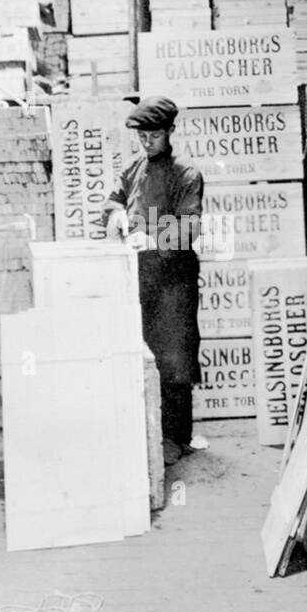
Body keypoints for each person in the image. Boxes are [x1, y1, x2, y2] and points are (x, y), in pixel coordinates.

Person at [104, 96, 205, 465]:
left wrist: (152, 239)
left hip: (174, 279)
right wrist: (115, 216)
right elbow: (114, 200)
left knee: (174, 357)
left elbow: (191, 224)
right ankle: (148, 431)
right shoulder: (133, 170)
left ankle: (176, 437)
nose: (147, 143)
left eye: (155, 136)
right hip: (140, 278)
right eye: (142, 137)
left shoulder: (186, 173)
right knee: (142, 353)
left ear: (170, 132)